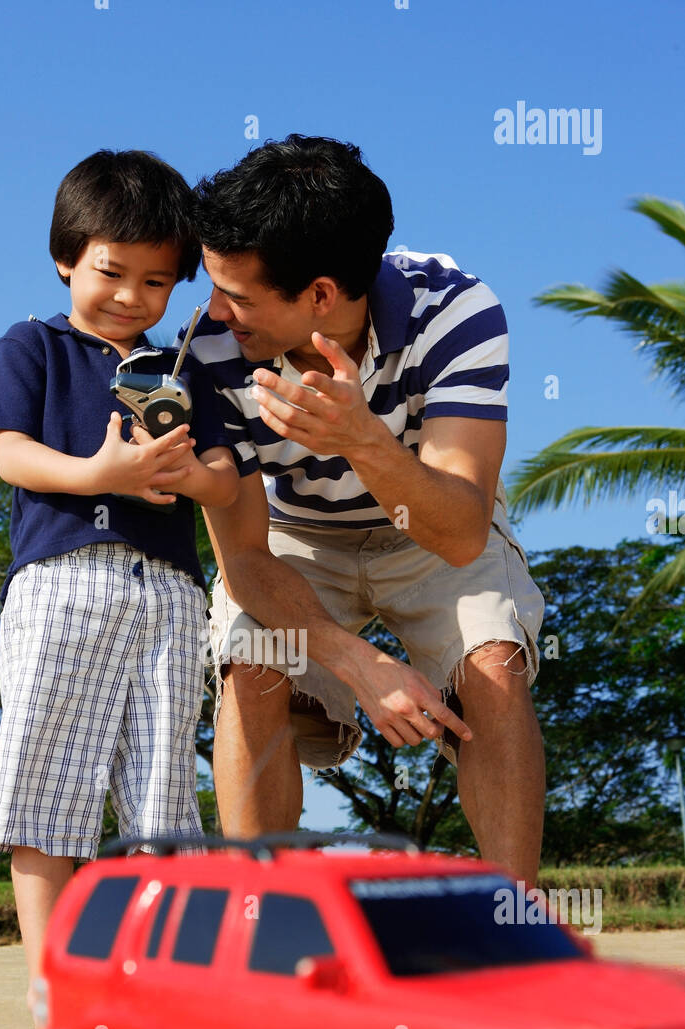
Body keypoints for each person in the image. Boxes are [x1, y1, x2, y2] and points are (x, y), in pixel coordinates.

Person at [184, 134, 545, 884]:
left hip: (431, 527)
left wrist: (361, 440)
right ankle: (260, 920)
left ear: (319, 294)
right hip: (295, 538)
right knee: (254, 660)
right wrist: (355, 662)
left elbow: (457, 533)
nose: (216, 311)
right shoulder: (210, 351)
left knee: (493, 665)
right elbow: (244, 559)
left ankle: (513, 926)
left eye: (239, 295)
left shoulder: (455, 308)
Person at [0, 150, 238, 1015]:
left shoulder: (183, 366)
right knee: (43, 787)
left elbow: (226, 477)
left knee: (162, 798)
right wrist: (102, 474)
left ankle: (171, 994)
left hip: (167, 591)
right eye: (110, 271)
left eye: (156, 281)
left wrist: (187, 477)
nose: (130, 296)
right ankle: (54, 994)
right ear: (66, 257)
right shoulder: (31, 343)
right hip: (59, 581)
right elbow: (10, 452)